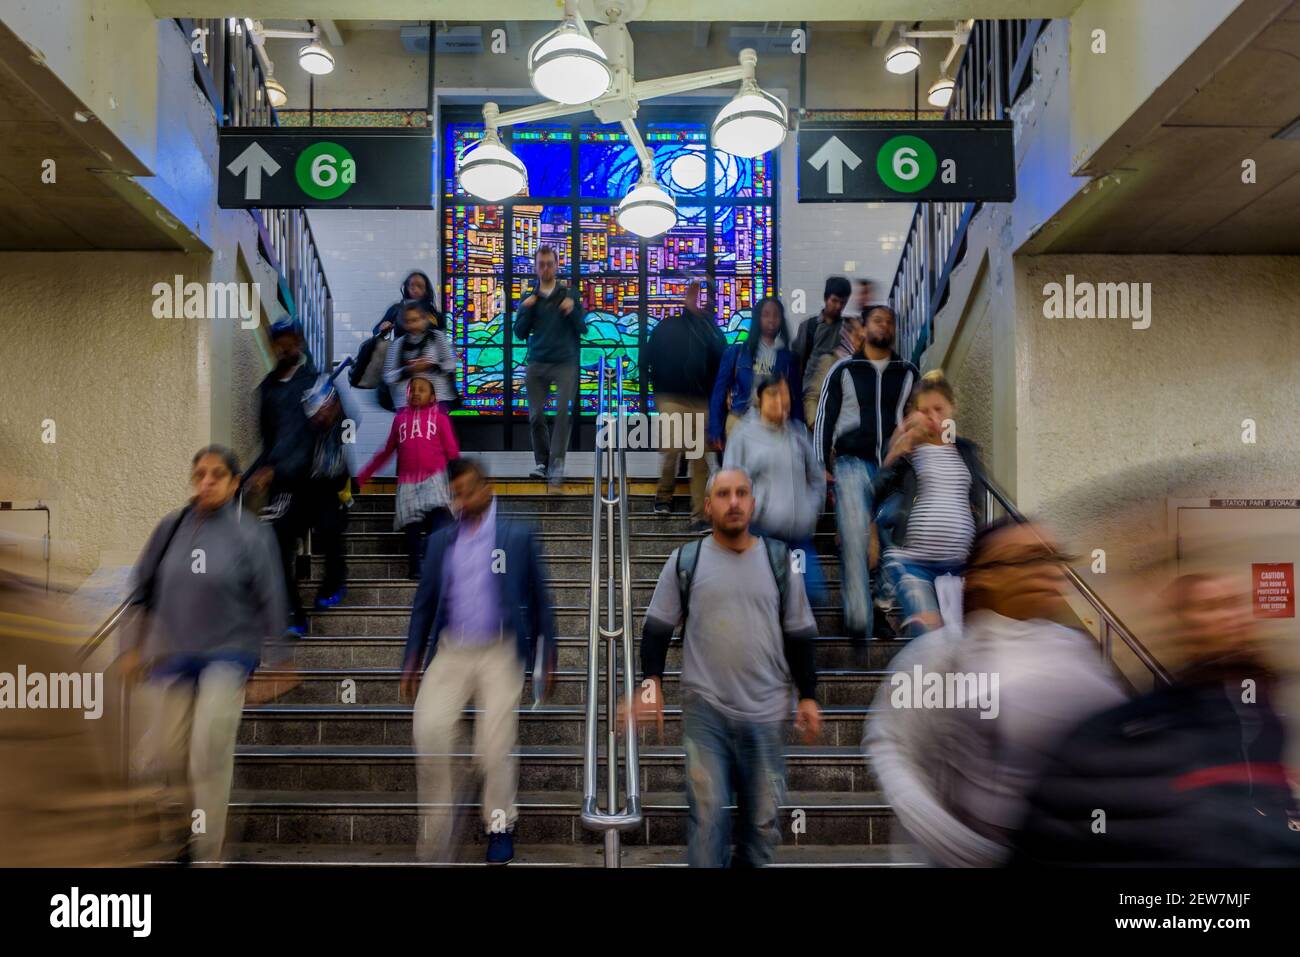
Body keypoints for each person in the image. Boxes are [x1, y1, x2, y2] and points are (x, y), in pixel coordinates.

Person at [866, 519, 1126, 866]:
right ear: (984, 575)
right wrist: (975, 853)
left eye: (1055, 558)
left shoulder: (1077, 652)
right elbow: (893, 754)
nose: (1049, 571)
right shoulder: (936, 658)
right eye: (1031, 559)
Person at [1012, 572, 1300, 866]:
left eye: (1236, 604)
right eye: (1213, 606)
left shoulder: (1262, 713)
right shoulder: (1135, 729)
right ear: (1182, 627)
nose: (1233, 616)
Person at [628, 467, 822, 867]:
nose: (733, 502)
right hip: (707, 713)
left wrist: (808, 696)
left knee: (763, 827)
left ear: (752, 503)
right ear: (707, 505)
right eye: (723, 494)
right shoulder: (686, 561)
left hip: (767, 715)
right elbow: (657, 629)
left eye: (741, 493)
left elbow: (800, 634)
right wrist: (651, 684)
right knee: (707, 820)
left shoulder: (781, 561)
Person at [126, 446, 288, 865]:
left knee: (208, 753)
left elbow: (271, 597)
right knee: (164, 754)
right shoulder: (171, 527)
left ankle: (206, 854)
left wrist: (279, 658)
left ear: (235, 483)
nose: (207, 481)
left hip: (229, 655)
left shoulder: (252, 533)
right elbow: (141, 590)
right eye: (200, 474)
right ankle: (183, 828)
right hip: (175, 657)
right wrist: (131, 648)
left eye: (218, 474)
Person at [403, 458, 557, 865]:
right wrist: (412, 658)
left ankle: (500, 824)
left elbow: (541, 599)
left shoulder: (517, 535)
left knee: (495, 746)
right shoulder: (440, 540)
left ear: (487, 487)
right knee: (429, 730)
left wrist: (548, 655)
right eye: (454, 493)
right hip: (452, 649)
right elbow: (424, 604)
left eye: (468, 490)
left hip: (500, 650)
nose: (461, 499)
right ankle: (437, 830)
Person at [812, 305, 918, 644]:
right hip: (852, 465)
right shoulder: (843, 370)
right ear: (865, 327)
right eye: (877, 320)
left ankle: (878, 606)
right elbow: (825, 418)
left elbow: (916, 420)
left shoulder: (908, 372)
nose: (883, 325)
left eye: (889, 321)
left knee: (898, 539)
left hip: (895, 468)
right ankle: (858, 621)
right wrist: (822, 468)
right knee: (856, 538)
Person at [246, 320, 348, 635]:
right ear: (271, 344)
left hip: (319, 479)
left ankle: (335, 577)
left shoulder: (317, 381)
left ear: (301, 342)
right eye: (279, 341)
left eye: (291, 340)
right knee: (276, 542)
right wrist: (251, 474)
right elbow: (270, 441)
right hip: (285, 485)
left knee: (330, 529)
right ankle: (293, 611)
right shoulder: (266, 389)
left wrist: (335, 415)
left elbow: (327, 431)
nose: (286, 346)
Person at [871, 371, 986, 638]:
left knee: (959, 644)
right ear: (914, 414)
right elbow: (875, 492)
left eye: (939, 409)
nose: (933, 417)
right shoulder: (909, 450)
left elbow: (975, 502)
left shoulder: (966, 451)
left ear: (951, 409)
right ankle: (883, 599)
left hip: (959, 565)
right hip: (914, 563)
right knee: (930, 640)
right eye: (924, 411)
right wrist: (893, 455)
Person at [722, 376, 826, 603]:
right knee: (769, 598)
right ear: (760, 399)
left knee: (811, 596)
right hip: (763, 535)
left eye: (784, 393)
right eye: (773, 394)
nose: (780, 400)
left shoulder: (798, 433)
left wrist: (811, 510)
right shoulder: (743, 435)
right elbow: (730, 482)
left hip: (799, 537)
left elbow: (817, 478)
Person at [356, 375, 460, 579]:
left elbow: (452, 451)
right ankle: (414, 566)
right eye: (413, 389)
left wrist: (459, 477)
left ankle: (432, 562)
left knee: (436, 522)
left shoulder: (440, 418)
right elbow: (386, 451)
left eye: (422, 389)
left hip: (434, 479)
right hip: (408, 483)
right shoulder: (400, 419)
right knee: (412, 527)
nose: (416, 393)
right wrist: (363, 475)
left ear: (433, 397)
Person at [644, 275, 727, 530]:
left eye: (706, 296)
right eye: (697, 294)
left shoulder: (712, 332)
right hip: (671, 396)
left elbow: (721, 367)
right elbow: (646, 359)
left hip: (699, 399)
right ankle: (663, 495)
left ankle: (699, 515)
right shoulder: (668, 327)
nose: (701, 301)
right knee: (671, 448)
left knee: (699, 458)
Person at [512, 246, 586, 485]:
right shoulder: (528, 297)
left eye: (549, 264)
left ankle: (557, 464)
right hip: (537, 362)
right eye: (541, 264)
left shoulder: (569, 294)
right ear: (535, 267)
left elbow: (582, 328)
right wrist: (526, 310)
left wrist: (572, 311)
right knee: (536, 416)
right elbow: (519, 333)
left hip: (565, 362)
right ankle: (542, 463)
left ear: (557, 265)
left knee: (563, 413)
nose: (545, 268)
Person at [708, 296, 803, 446]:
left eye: (776, 315)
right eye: (765, 315)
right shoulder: (736, 353)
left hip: (775, 423)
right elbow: (719, 392)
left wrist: (799, 432)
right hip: (741, 419)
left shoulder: (788, 359)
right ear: (757, 318)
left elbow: (795, 398)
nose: (771, 320)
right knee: (738, 469)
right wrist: (715, 428)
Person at [794, 276, 853, 427]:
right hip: (813, 392)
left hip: (840, 394)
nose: (838, 306)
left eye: (843, 302)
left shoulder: (849, 328)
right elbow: (799, 362)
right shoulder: (808, 326)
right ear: (826, 298)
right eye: (834, 301)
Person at [383, 299, 459, 411]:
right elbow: (388, 377)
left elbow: (452, 364)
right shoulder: (398, 344)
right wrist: (407, 370)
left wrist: (431, 365)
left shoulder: (437, 337)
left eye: (415, 320)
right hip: (407, 403)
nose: (412, 325)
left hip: (437, 399)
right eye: (407, 321)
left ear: (425, 319)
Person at [373, 270, 442, 337]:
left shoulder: (431, 311)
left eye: (420, 286)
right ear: (407, 288)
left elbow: (440, 335)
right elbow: (375, 331)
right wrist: (382, 328)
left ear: (426, 290)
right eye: (412, 285)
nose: (416, 289)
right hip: (400, 347)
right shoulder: (396, 309)